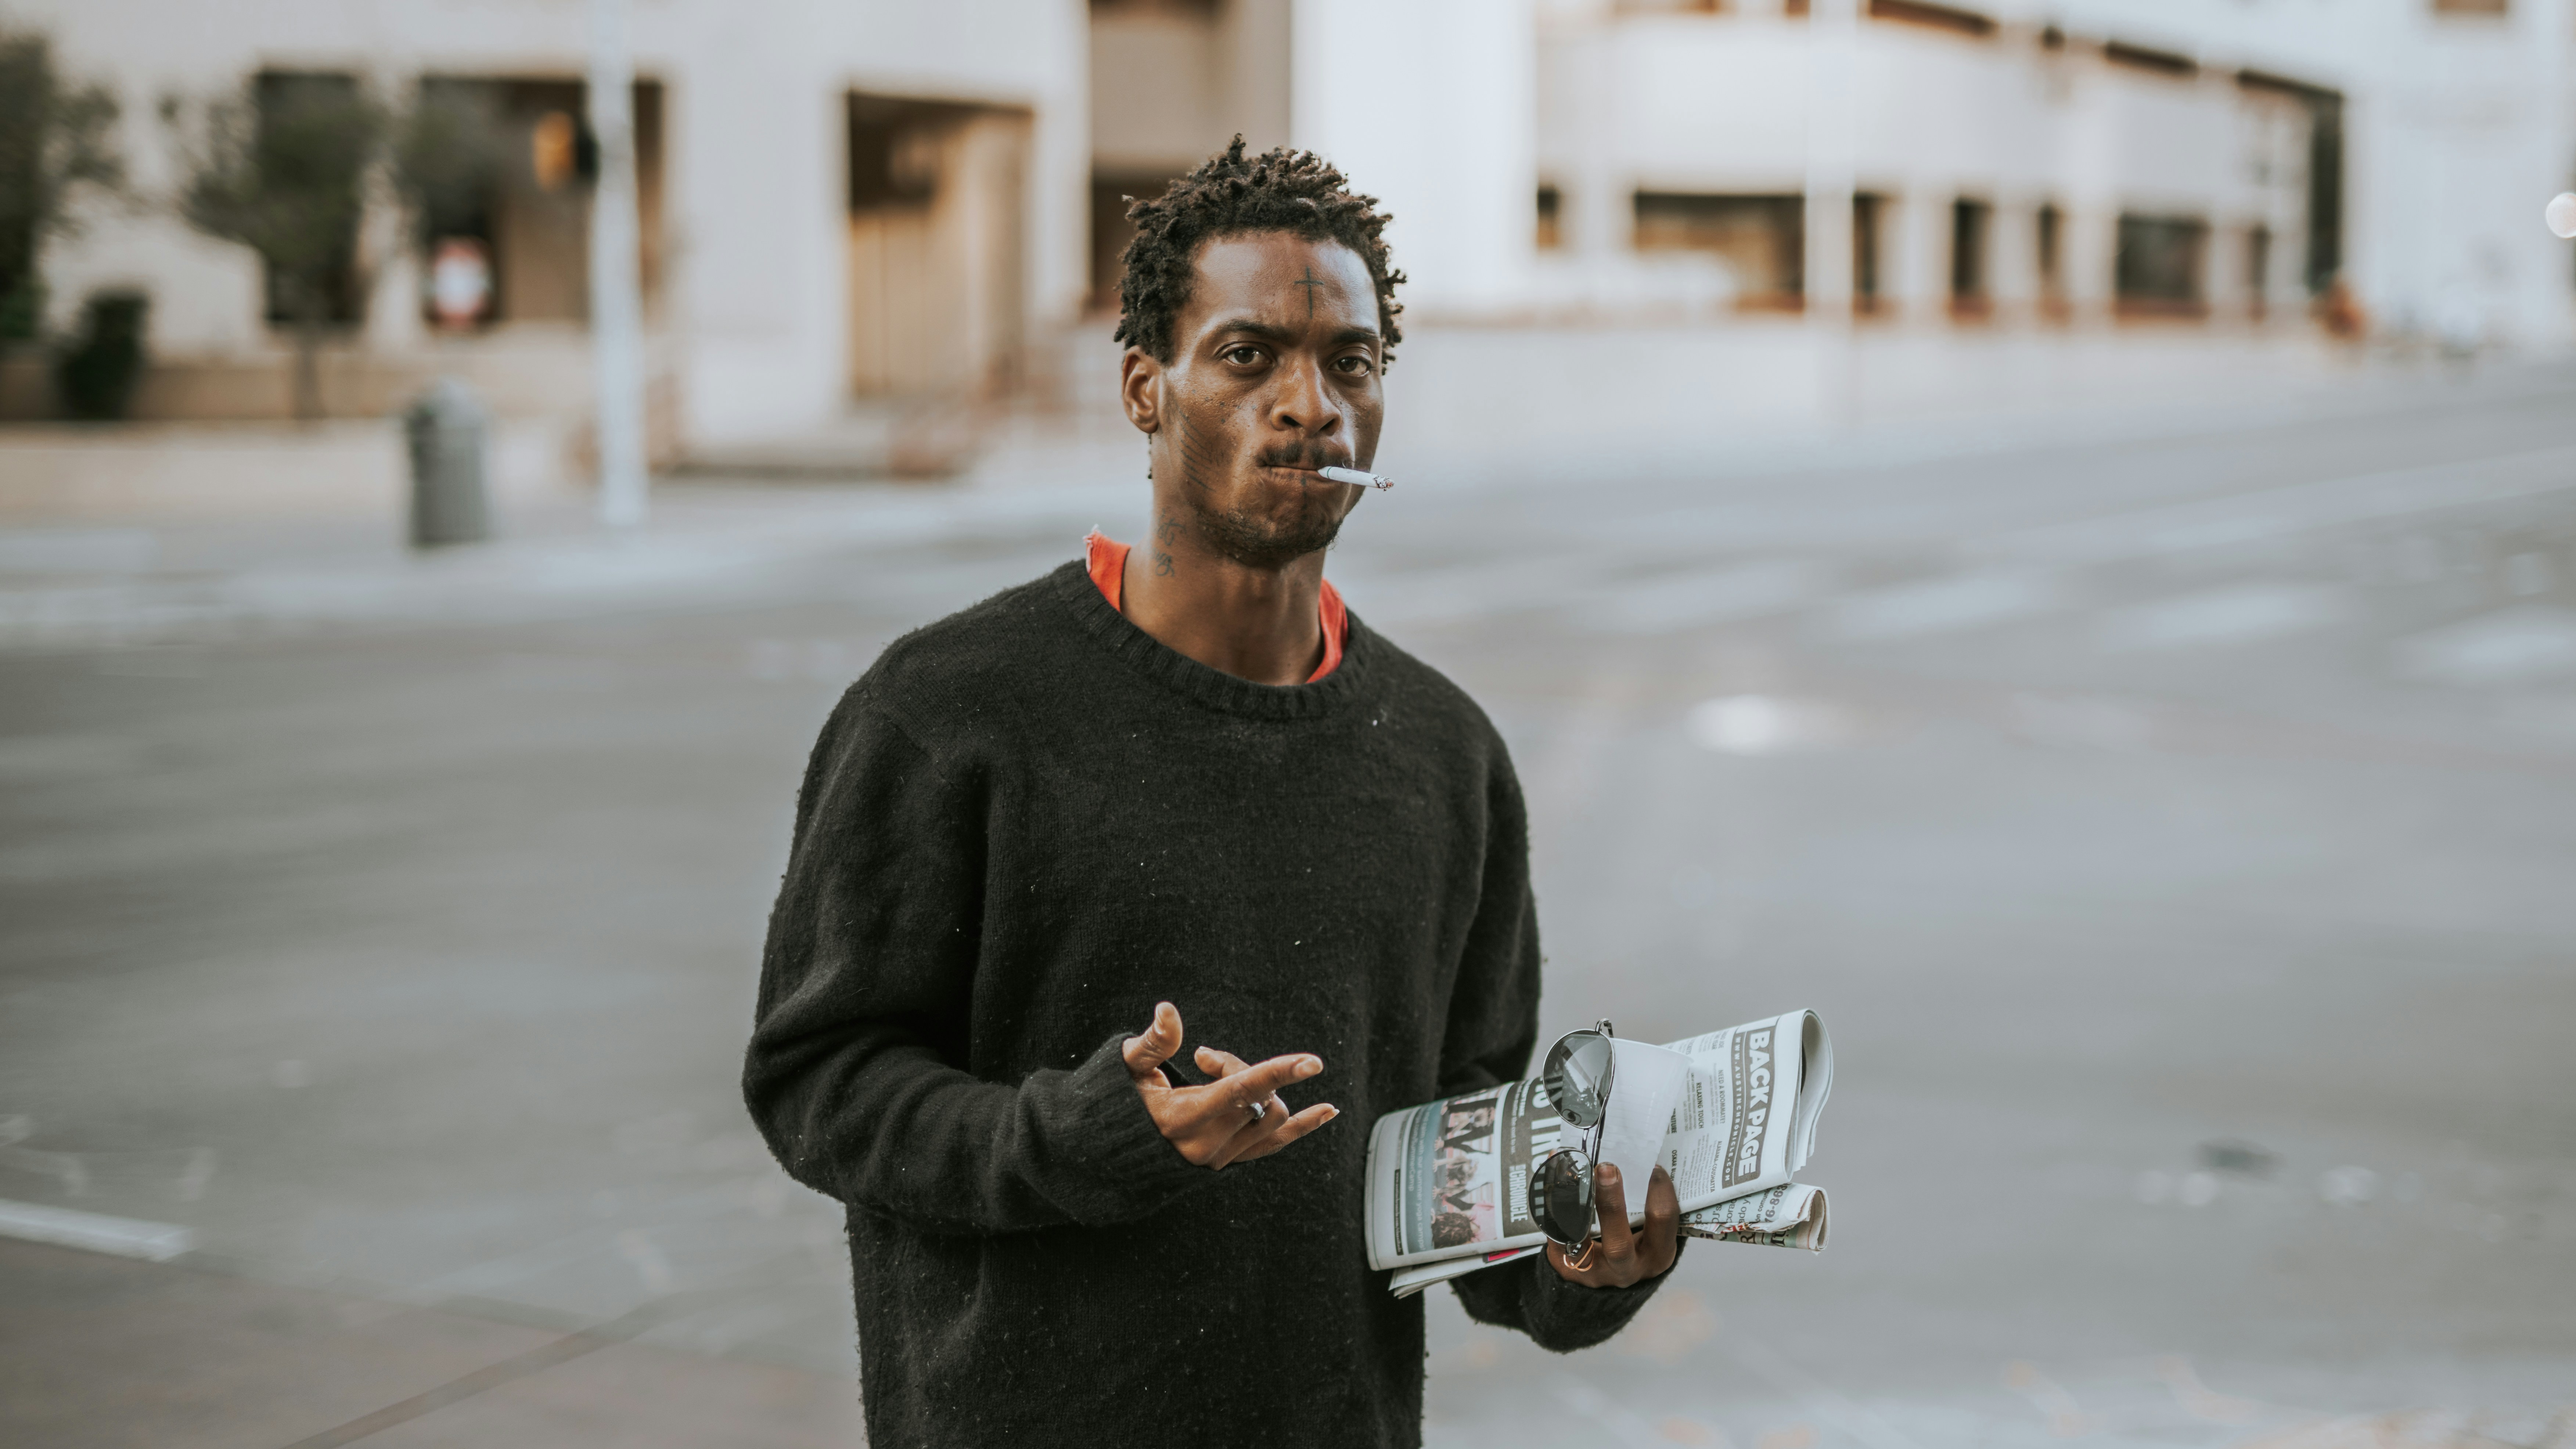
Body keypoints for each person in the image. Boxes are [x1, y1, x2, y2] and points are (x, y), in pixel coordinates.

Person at [743, 138, 1681, 1448]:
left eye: (1350, 363)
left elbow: (1451, 1159)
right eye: (1248, 356)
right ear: (1146, 387)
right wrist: (1085, 1134)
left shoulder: (1444, 753)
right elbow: (820, 1085)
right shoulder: (949, 710)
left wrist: (1584, 1262)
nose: (1309, 406)